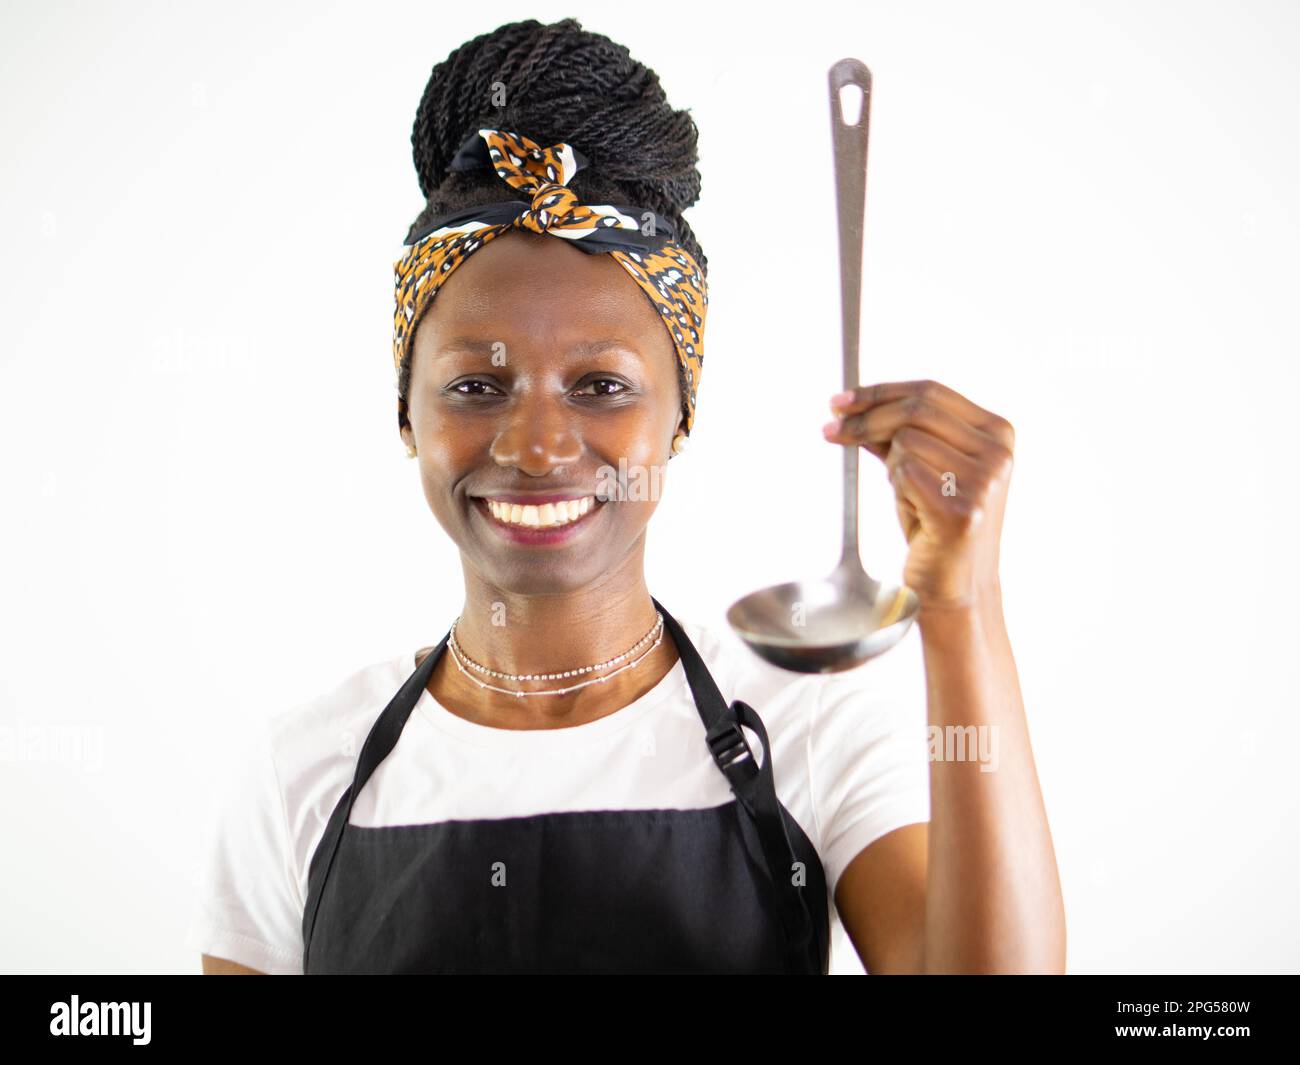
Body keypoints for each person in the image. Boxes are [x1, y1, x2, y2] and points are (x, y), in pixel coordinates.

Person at [187, 17, 1063, 975]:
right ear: (407, 416)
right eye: (476, 387)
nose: (536, 446)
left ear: (680, 415)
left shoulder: (806, 729)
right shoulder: (304, 776)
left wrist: (963, 606)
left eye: (601, 385)